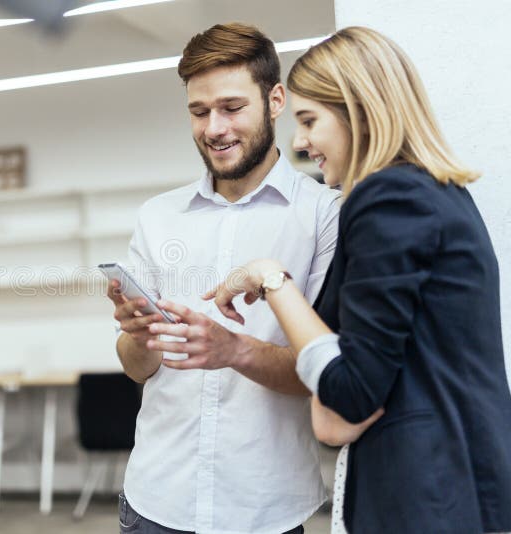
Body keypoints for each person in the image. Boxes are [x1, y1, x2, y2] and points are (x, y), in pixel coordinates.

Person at [205, 26, 511, 534]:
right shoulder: (439, 193)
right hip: (456, 494)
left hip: (425, 500)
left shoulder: (388, 199)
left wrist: (271, 278)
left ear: (358, 111)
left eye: (309, 120)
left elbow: (348, 395)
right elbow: (333, 395)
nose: (300, 143)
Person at [107, 23, 340, 533]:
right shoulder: (158, 215)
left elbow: (324, 372)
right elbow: (134, 367)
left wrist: (232, 348)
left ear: (275, 100)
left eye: (232, 108)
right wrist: (139, 334)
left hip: (263, 509)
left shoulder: (324, 214)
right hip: (155, 498)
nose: (214, 127)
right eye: (198, 111)